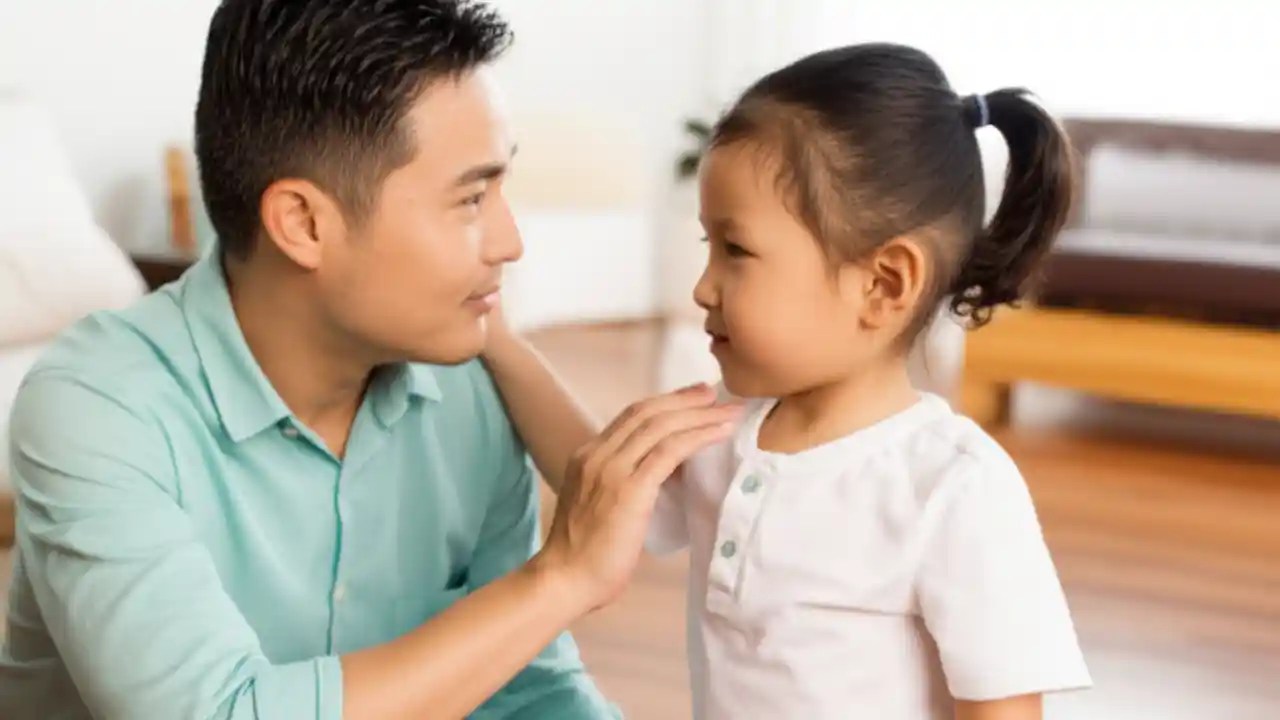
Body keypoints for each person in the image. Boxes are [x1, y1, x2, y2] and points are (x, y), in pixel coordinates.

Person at [0, 1, 742, 718]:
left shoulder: (470, 387)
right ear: (304, 223)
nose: (511, 241)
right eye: (471, 199)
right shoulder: (97, 408)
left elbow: (522, 689)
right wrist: (563, 574)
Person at [484, 42, 1093, 720]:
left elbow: (1003, 708)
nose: (703, 285)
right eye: (706, 246)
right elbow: (598, 482)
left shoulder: (953, 485)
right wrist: (501, 345)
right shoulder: (722, 427)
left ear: (883, 284)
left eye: (736, 250)